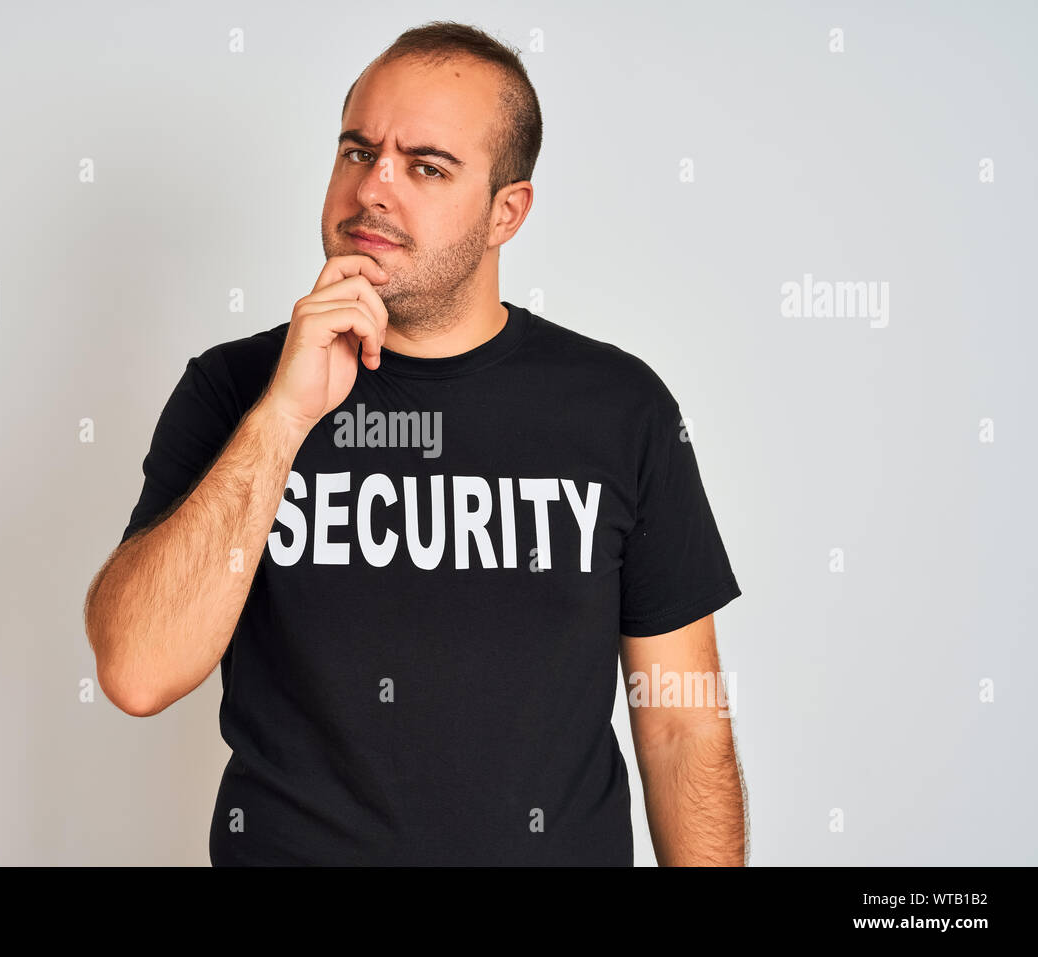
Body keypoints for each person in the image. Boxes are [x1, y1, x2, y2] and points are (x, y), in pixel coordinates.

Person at [83, 20, 745, 866]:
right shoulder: (233, 391)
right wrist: (283, 416)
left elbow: (683, 720)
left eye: (426, 166)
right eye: (358, 152)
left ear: (508, 210)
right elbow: (137, 671)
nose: (374, 190)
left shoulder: (620, 408)